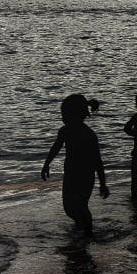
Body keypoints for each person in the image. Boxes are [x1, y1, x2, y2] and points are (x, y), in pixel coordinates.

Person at [42, 94, 109, 235]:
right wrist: (46, 164)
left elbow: (97, 161)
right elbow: (56, 147)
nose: (62, 117)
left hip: (86, 176)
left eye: (64, 114)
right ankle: (81, 225)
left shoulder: (89, 134)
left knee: (81, 205)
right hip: (71, 175)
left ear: (75, 114)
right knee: (68, 207)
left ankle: (88, 232)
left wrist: (103, 183)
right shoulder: (64, 131)